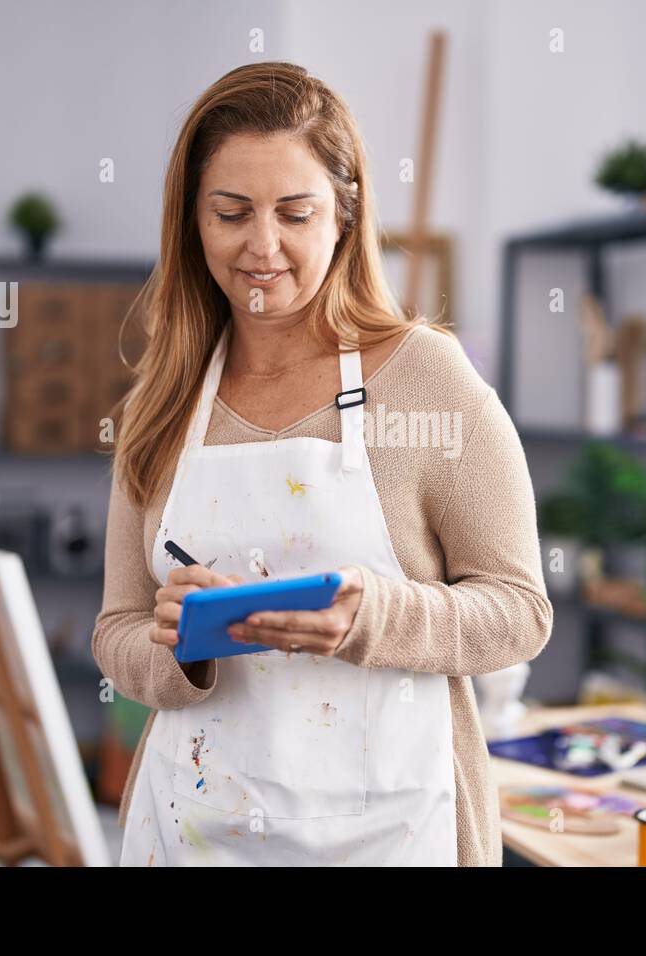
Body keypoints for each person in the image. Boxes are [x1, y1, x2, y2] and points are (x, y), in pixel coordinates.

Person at [92, 61, 552, 867]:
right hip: (197, 830)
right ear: (192, 221)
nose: (261, 247)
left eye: (295, 214)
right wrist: (177, 647)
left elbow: (520, 610)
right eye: (230, 212)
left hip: (388, 834)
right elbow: (117, 629)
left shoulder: (423, 378)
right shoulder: (158, 406)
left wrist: (372, 616)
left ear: (344, 216)